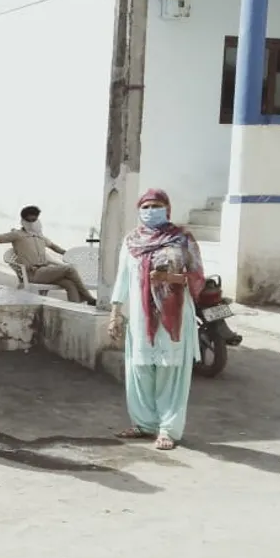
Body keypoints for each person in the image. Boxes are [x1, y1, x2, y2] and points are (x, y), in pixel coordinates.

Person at [108, 189, 204, 451]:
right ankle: (144, 424)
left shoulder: (182, 238)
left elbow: (197, 276)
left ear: (167, 209)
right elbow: (122, 278)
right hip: (140, 317)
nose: (151, 211)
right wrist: (115, 313)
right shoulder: (131, 241)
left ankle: (167, 429)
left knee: (169, 372)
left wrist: (170, 279)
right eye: (147, 206)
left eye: (157, 205)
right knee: (140, 370)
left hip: (173, 315)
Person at [0, 205, 97, 304]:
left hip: (46, 271)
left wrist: (68, 253)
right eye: (29, 220)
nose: (32, 223)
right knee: (69, 269)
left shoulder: (40, 236)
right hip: (33, 273)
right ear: (23, 221)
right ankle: (88, 297)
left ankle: (74, 310)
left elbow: (54, 247)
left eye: (34, 220)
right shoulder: (17, 235)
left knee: (69, 284)